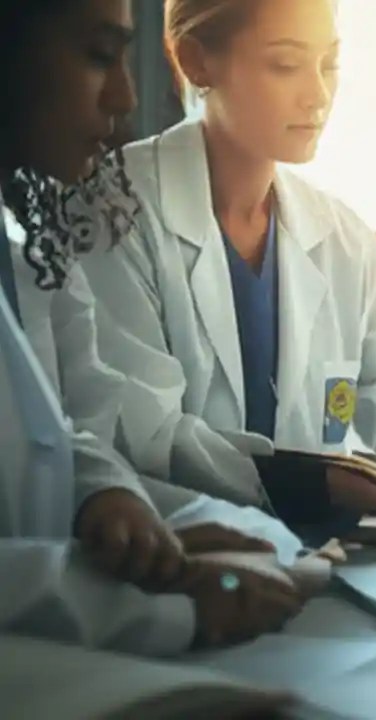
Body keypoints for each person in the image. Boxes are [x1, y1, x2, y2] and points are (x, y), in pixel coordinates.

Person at [2, 0, 305, 655]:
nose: (126, 98)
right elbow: (143, 430)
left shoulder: (33, 242)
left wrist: (109, 499)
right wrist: (164, 604)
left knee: (279, 557)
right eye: (97, 55)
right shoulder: (116, 207)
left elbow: (73, 423)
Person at [76, 0, 376, 537]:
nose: (318, 94)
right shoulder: (114, 211)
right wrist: (311, 483)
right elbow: (137, 439)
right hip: (182, 581)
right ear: (198, 62)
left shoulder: (342, 238)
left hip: (329, 571)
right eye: (287, 65)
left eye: (329, 64)